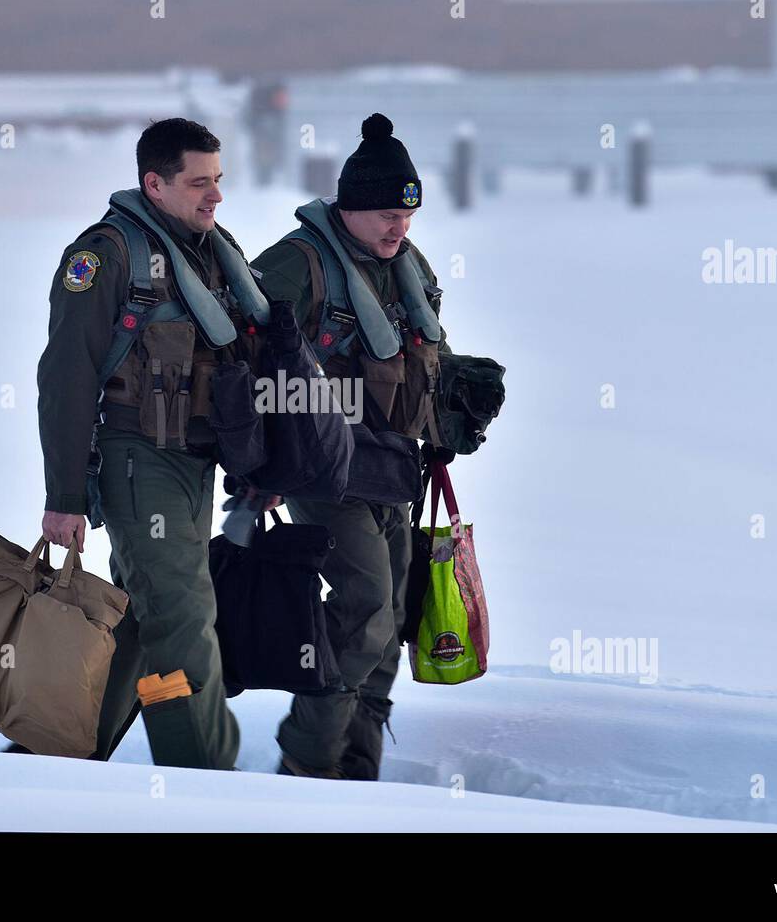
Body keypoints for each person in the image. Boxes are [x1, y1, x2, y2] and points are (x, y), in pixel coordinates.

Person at [30, 117, 269, 770]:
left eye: (218, 181)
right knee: (183, 621)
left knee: (140, 616)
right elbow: (67, 378)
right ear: (154, 184)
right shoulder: (104, 256)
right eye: (199, 183)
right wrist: (65, 496)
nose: (215, 197)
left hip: (197, 468)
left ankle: (55, 748)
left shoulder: (218, 253)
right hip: (138, 464)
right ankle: (205, 780)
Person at [250, 113, 457, 779]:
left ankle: (355, 772)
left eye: (407, 214)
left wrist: (452, 418)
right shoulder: (298, 263)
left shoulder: (406, 264)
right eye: (385, 215)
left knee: (392, 617)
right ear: (348, 206)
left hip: (394, 466)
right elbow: (237, 357)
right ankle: (308, 766)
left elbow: (428, 352)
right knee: (364, 611)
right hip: (324, 472)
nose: (399, 228)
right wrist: (260, 459)